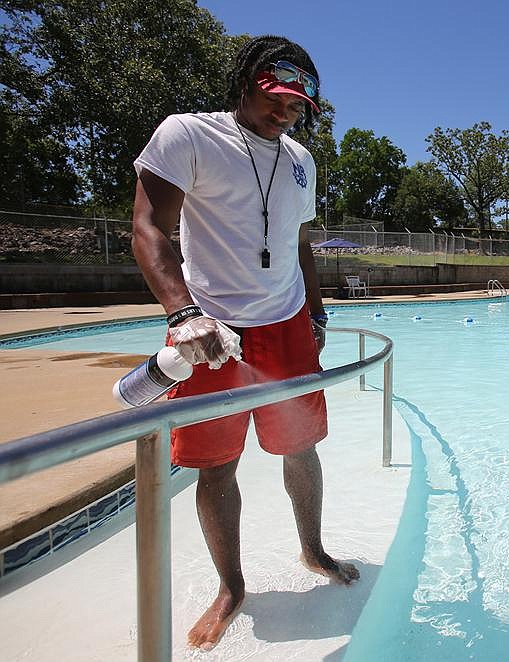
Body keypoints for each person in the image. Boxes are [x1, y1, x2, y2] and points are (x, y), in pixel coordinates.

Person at [131, 34, 358, 651]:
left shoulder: (301, 160)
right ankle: (232, 588)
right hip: (209, 326)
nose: (285, 112)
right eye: (277, 96)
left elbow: (298, 244)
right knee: (216, 464)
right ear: (248, 80)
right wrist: (182, 314)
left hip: (286, 325)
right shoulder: (188, 134)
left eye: (297, 105)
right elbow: (149, 226)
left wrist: (315, 313)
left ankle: (313, 551)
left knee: (301, 448)